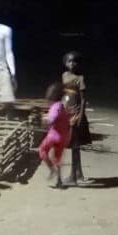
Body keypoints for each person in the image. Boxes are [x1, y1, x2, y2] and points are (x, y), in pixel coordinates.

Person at [61, 51, 90, 183]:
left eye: (74, 61)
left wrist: (80, 116)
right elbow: (64, 94)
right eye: (69, 61)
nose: (72, 64)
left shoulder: (80, 78)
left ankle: (74, 175)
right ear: (65, 63)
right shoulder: (64, 76)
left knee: (75, 146)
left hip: (76, 115)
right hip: (67, 113)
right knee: (73, 146)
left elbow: (83, 99)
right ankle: (78, 174)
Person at [38, 81, 72, 188]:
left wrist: (44, 121)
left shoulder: (55, 106)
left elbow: (52, 119)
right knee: (57, 158)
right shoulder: (62, 106)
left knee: (42, 150)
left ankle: (51, 169)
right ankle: (59, 181)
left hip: (53, 136)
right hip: (63, 137)